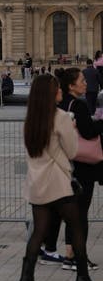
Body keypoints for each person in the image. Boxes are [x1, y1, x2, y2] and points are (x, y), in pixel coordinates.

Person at [18, 73, 103, 281]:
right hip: (57, 183)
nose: (60, 92)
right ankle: (83, 280)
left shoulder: (31, 120)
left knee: (38, 233)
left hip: (37, 183)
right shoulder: (61, 117)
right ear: (50, 93)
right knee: (77, 227)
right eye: (57, 89)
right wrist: (72, 128)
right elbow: (73, 151)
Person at [42, 68, 103, 270]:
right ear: (71, 85)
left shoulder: (61, 103)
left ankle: (69, 254)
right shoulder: (79, 105)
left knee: (71, 211)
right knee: (80, 213)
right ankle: (78, 257)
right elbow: (88, 131)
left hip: (64, 164)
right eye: (82, 80)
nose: (86, 83)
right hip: (82, 165)